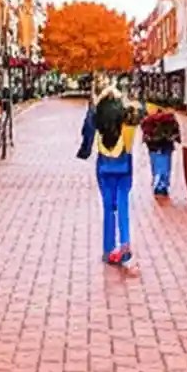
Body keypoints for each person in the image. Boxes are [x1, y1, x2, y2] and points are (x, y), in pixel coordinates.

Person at [77, 82, 138, 266]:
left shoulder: (96, 116)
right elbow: (138, 113)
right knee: (123, 205)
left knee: (108, 208)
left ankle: (108, 248)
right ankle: (125, 245)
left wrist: (84, 151)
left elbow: (86, 134)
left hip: (104, 166)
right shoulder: (126, 118)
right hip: (124, 165)